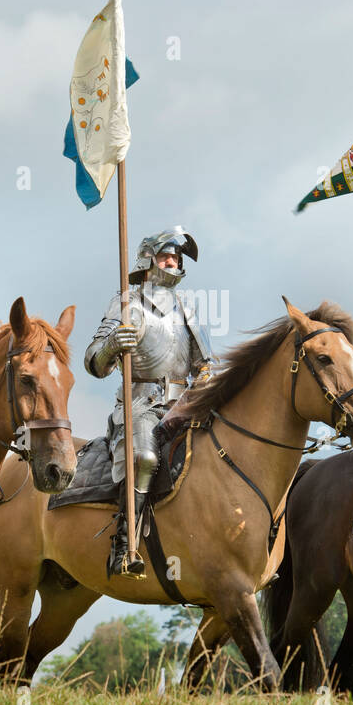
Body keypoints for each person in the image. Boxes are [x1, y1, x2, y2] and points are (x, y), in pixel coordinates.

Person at [84, 226, 214, 579]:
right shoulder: (127, 303)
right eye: (166, 255)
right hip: (141, 403)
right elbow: (93, 360)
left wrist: (205, 380)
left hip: (185, 404)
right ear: (147, 259)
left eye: (177, 256)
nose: (173, 261)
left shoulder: (188, 305)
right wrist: (112, 345)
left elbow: (207, 363)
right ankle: (125, 544)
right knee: (144, 458)